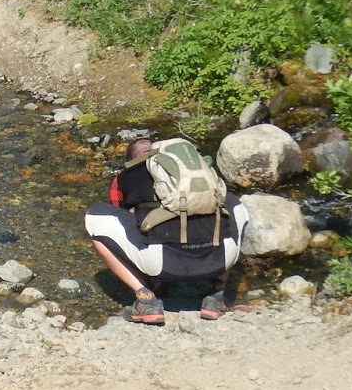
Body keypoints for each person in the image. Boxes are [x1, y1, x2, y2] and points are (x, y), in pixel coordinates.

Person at [85, 137, 250, 325]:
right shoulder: (201, 169)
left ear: (130, 160)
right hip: (219, 259)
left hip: (163, 264)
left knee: (96, 215)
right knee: (234, 204)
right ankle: (216, 294)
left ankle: (146, 299)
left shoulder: (125, 176)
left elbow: (118, 209)